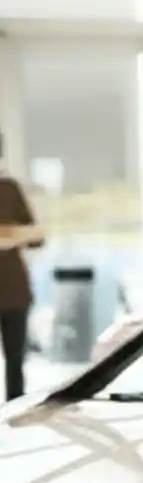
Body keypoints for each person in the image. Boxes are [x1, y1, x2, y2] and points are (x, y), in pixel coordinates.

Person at [0, 144, 43, 401]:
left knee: (15, 363)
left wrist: (10, 235)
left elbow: (36, 237)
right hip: (13, 289)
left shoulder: (9, 189)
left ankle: (14, 428)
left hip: (13, 291)